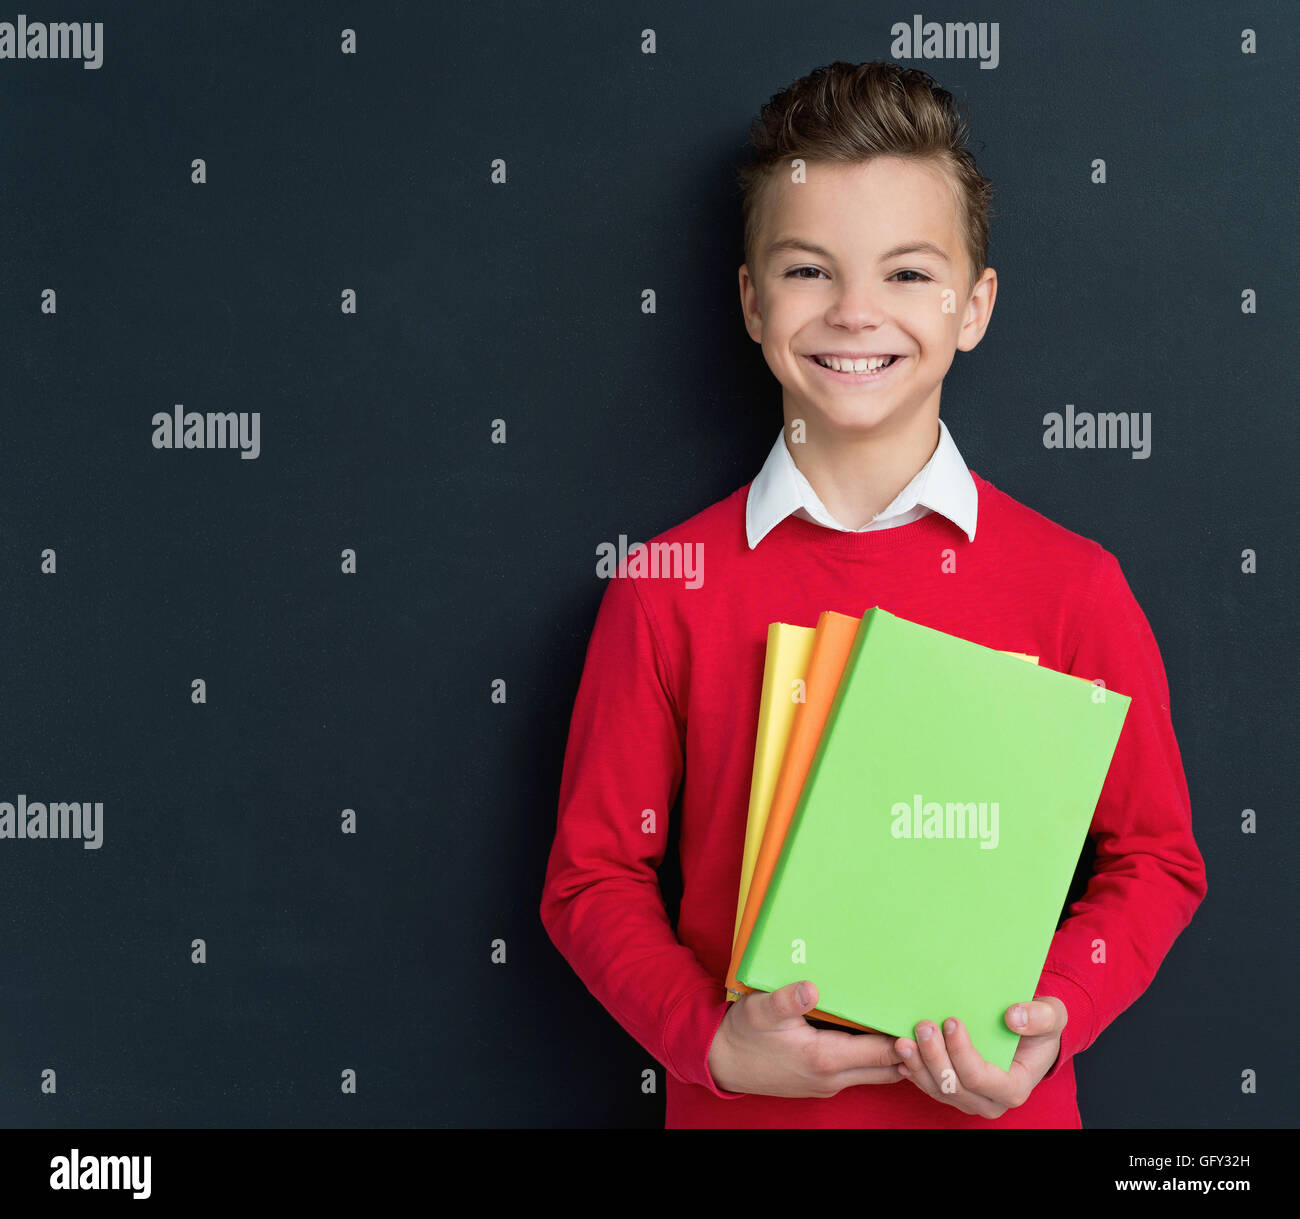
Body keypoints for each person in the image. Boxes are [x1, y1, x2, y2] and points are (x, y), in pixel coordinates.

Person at [539, 60, 1206, 1128]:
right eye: (809, 271)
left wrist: (1059, 1010)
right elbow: (592, 878)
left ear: (973, 306)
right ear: (752, 303)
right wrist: (708, 1041)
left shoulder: (1074, 585)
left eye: (906, 275)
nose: (855, 313)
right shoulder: (667, 587)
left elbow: (1157, 858)